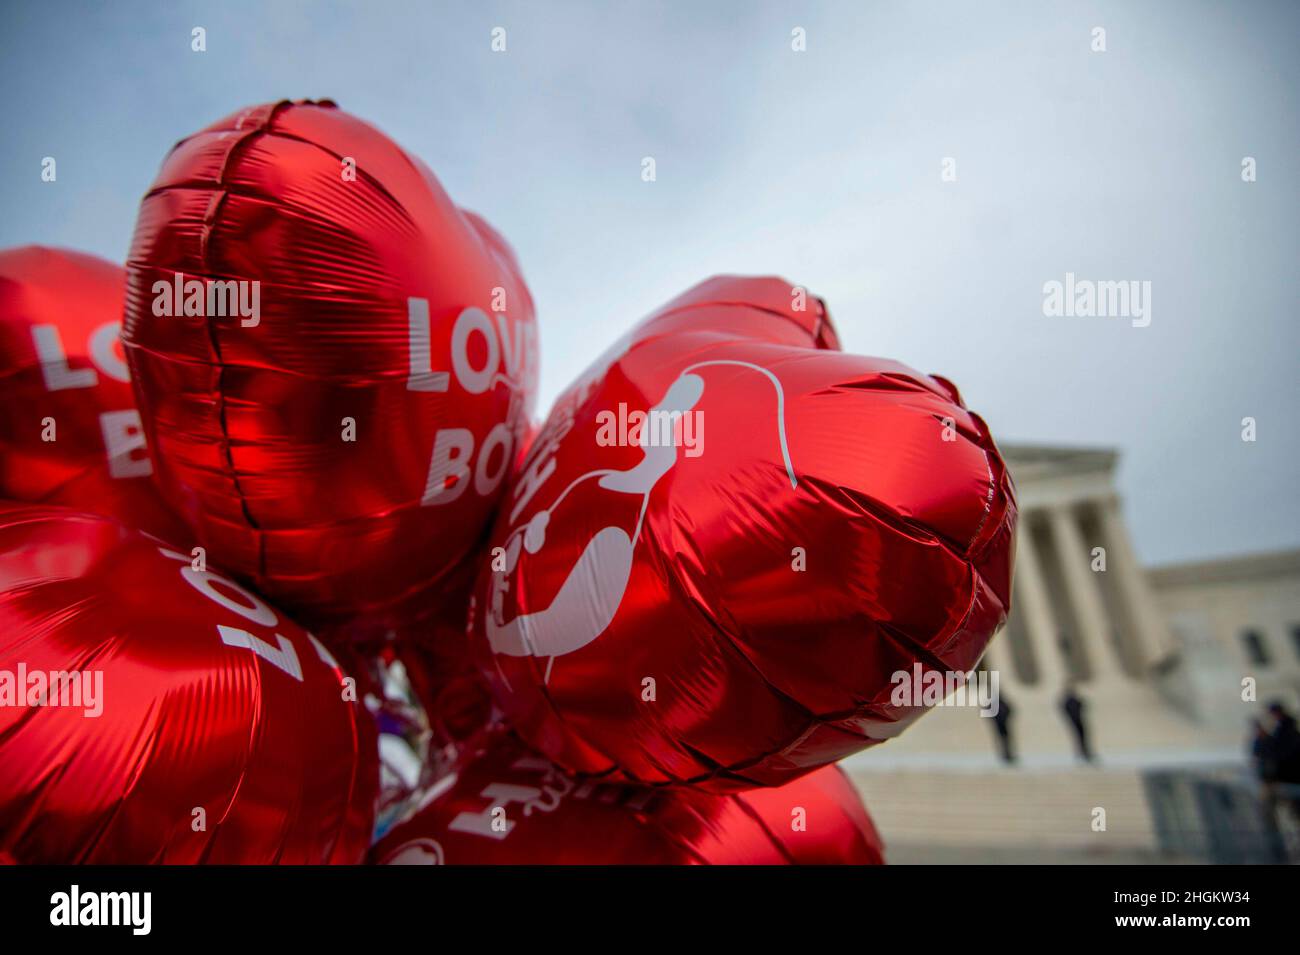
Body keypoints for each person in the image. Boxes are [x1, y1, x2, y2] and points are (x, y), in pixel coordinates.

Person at [1060, 684, 1094, 763]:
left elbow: (1082, 705)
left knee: (1083, 737)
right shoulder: (1069, 701)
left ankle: (1085, 753)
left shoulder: (1073, 700)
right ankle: (1082, 753)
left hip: (1078, 721)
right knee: (1079, 738)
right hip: (1075, 721)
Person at [991, 692, 1015, 765]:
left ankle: (1008, 755)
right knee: (1003, 741)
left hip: (1004, 725)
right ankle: (1005, 755)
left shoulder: (1001, 703)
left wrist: (1004, 718)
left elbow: (1009, 710)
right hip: (1000, 725)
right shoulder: (995, 704)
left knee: (1006, 741)